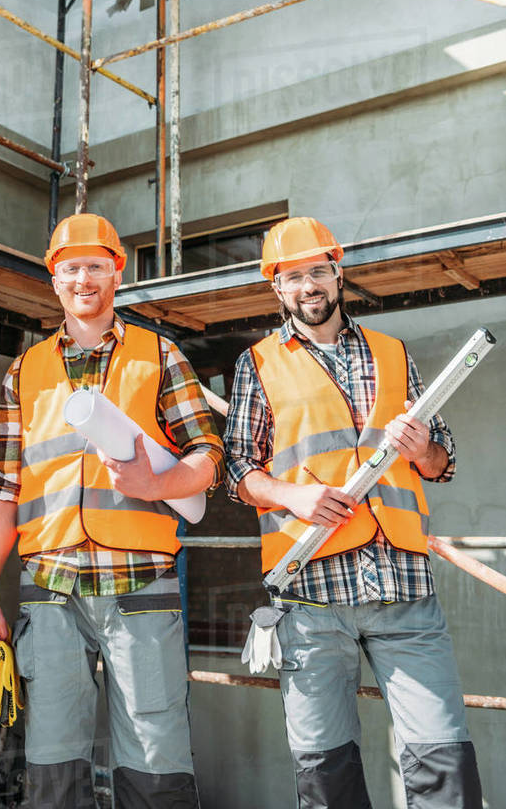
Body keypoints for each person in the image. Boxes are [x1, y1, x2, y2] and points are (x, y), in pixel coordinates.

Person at [224, 216, 482, 809]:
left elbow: (442, 461)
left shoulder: (392, 353)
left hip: (403, 590)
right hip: (312, 595)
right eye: (293, 277)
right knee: (326, 773)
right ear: (276, 287)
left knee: (444, 760)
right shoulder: (256, 364)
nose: (308, 286)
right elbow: (238, 470)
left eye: (318, 271)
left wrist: (423, 450)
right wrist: (292, 496)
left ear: (338, 274)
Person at [0, 212, 224, 809]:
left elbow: (208, 456)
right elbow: (4, 489)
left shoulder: (160, 355)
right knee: (52, 766)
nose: (83, 279)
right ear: (54, 280)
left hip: (140, 586)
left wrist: (156, 483)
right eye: (71, 269)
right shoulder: (25, 372)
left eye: (95, 267)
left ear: (116, 274)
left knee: (156, 763)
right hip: (50, 589)